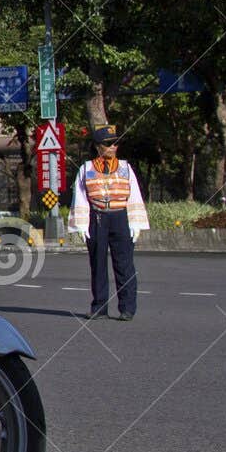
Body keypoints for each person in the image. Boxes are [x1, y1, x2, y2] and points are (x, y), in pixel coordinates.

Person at [70, 124, 147, 321]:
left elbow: (135, 196)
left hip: (120, 217)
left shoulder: (125, 168)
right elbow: (80, 197)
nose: (113, 147)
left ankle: (127, 308)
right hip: (97, 218)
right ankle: (99, 307)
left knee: (124, 265)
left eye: (115, 143)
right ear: (98, 146)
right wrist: (81, 224)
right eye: (108, 144)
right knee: (97, 264)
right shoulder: (86, 169)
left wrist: (135, 223)